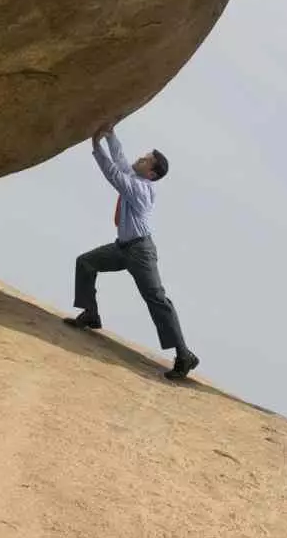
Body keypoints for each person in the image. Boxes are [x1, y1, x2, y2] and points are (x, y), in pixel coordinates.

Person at [66, 121, 198, 380]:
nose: (139, 158)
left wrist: (96, 146)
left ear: (151, 173)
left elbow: (114, 174)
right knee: (86, 263)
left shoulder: (141, 189)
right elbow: (122, 162)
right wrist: (111, 136)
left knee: (157, 299)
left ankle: (184, 355)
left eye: (145, 159)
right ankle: (91, 314)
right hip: (123, 248)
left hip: (140, 252)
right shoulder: (137, 177)